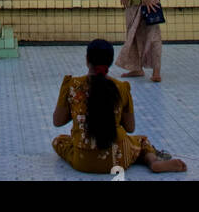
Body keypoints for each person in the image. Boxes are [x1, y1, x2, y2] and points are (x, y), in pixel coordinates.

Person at [52, 39, 185, 175]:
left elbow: (58, 121)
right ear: (110, 61)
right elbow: (130, 128)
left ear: (87, 59)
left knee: (59, 140)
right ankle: (153, 161)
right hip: (118, 158)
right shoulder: (121, 88)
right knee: (141, 141)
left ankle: (89, 154)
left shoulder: (72, 85)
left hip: (82, 160)